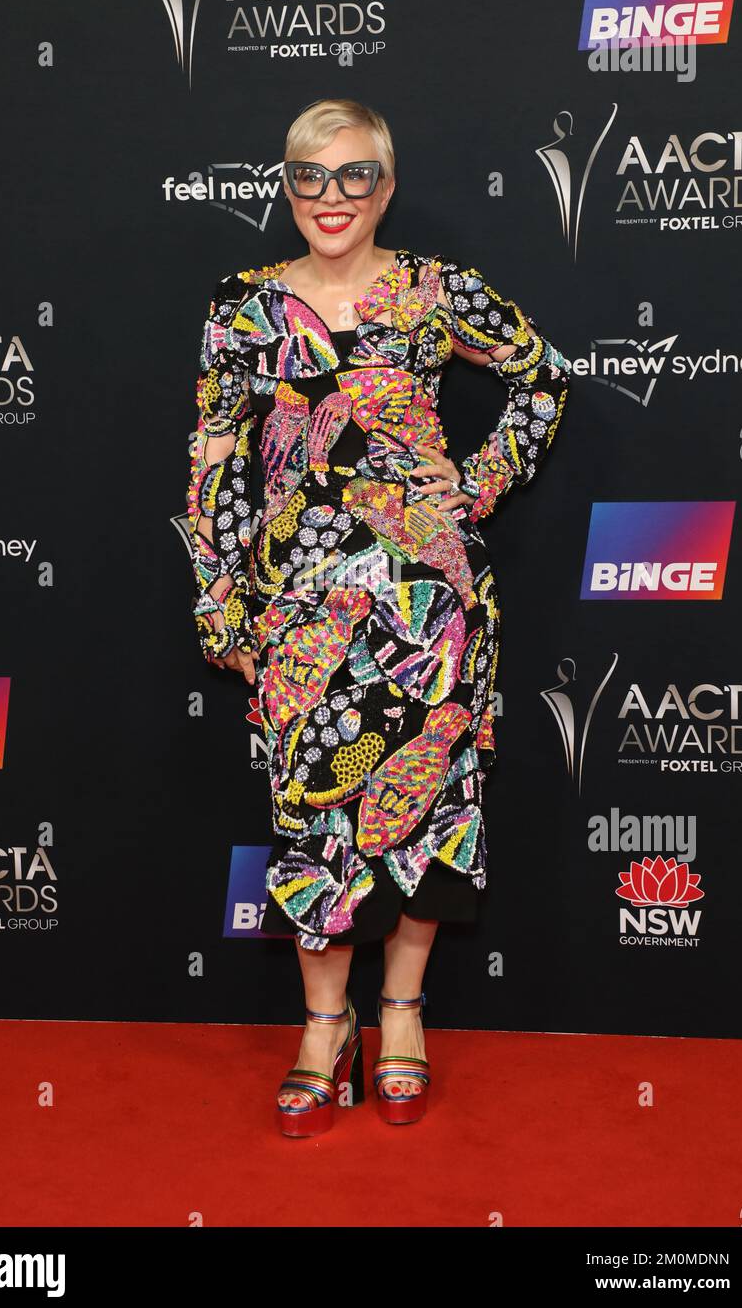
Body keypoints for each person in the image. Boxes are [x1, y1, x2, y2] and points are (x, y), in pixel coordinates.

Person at [186, 97, 571, 1136]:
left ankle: (400, 1012)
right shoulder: (243, 307)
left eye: (353, 175)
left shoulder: (434, 290)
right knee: (311, 814)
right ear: (286, 186)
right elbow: (216, 451)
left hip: (430, 604)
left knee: (426, 810)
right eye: (309, 176)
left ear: (385, 186)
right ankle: (324, 1026)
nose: (330, 197)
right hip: (300, 609)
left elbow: (540, 377)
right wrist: (221, 590)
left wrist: (473, 486)